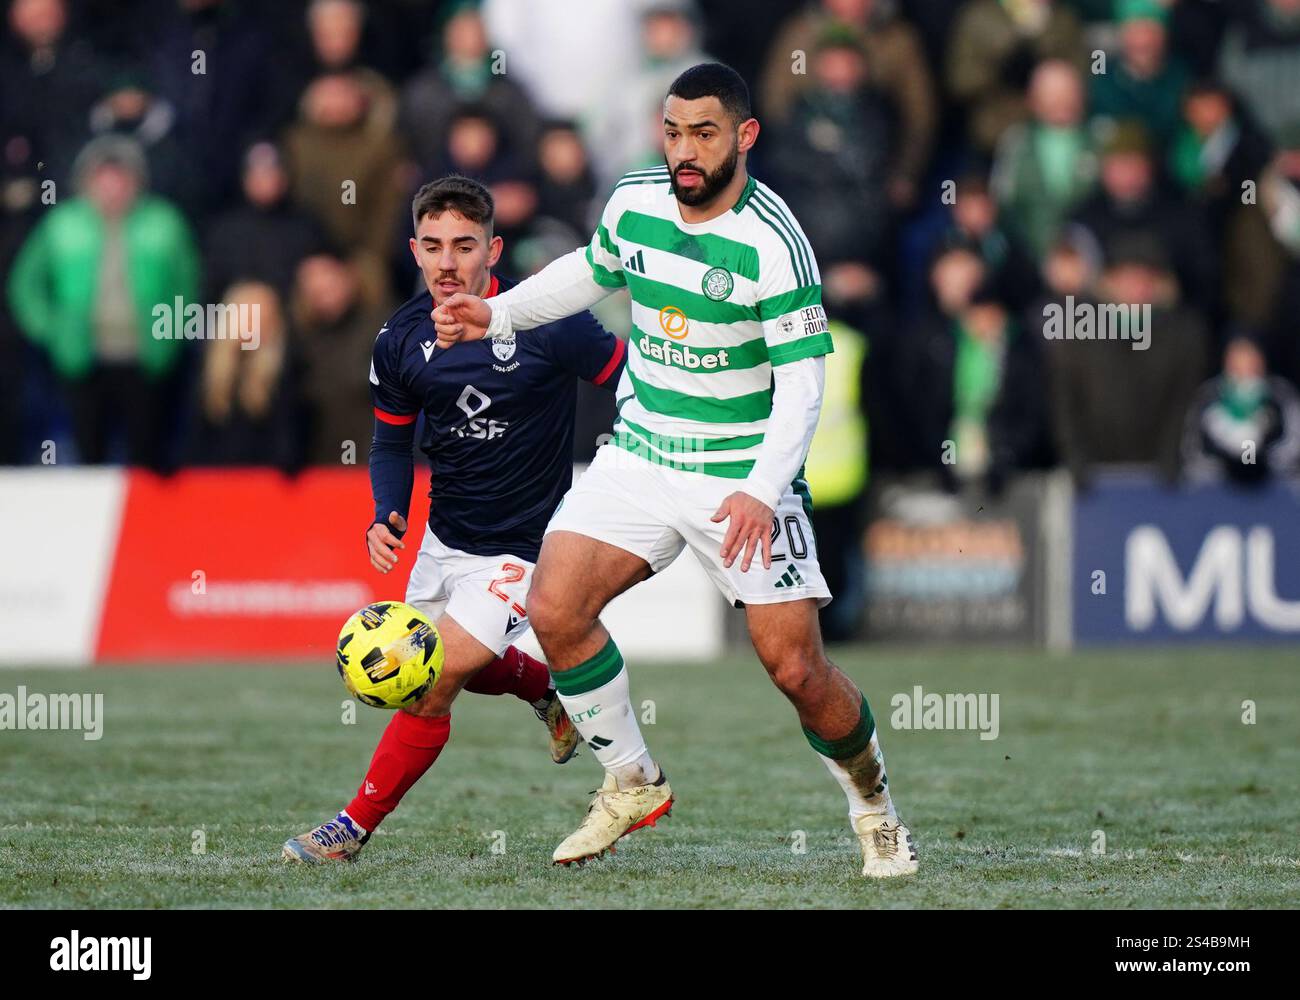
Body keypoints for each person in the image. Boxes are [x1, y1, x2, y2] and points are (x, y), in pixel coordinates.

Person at [432, 63, 918, 878]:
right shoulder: (636, 198)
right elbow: (592, 269)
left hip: (740, 475)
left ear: (744, 136)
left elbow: (804, 384)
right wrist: (501, 310)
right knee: (554, 607)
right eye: (673, 131)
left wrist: (762, 491)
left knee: (796, 669)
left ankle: (875, 805)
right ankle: (632, 782)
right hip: (644, 451)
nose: (684, 151)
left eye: (704, 133)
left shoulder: (774, 243)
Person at [282, 175, 626, 863]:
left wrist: (632, 461)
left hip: (525, 550)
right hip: (445, 540)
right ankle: (545, 691)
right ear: (414, 250)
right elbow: (389, 440)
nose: (448, 263)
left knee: (427, 679)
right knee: (447, 668)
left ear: (493, 250)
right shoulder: (400, 339)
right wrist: (387, 513)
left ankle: (349, 829)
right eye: (434, 246)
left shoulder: (548, 319)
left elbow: (632, 380)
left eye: (465, 246)